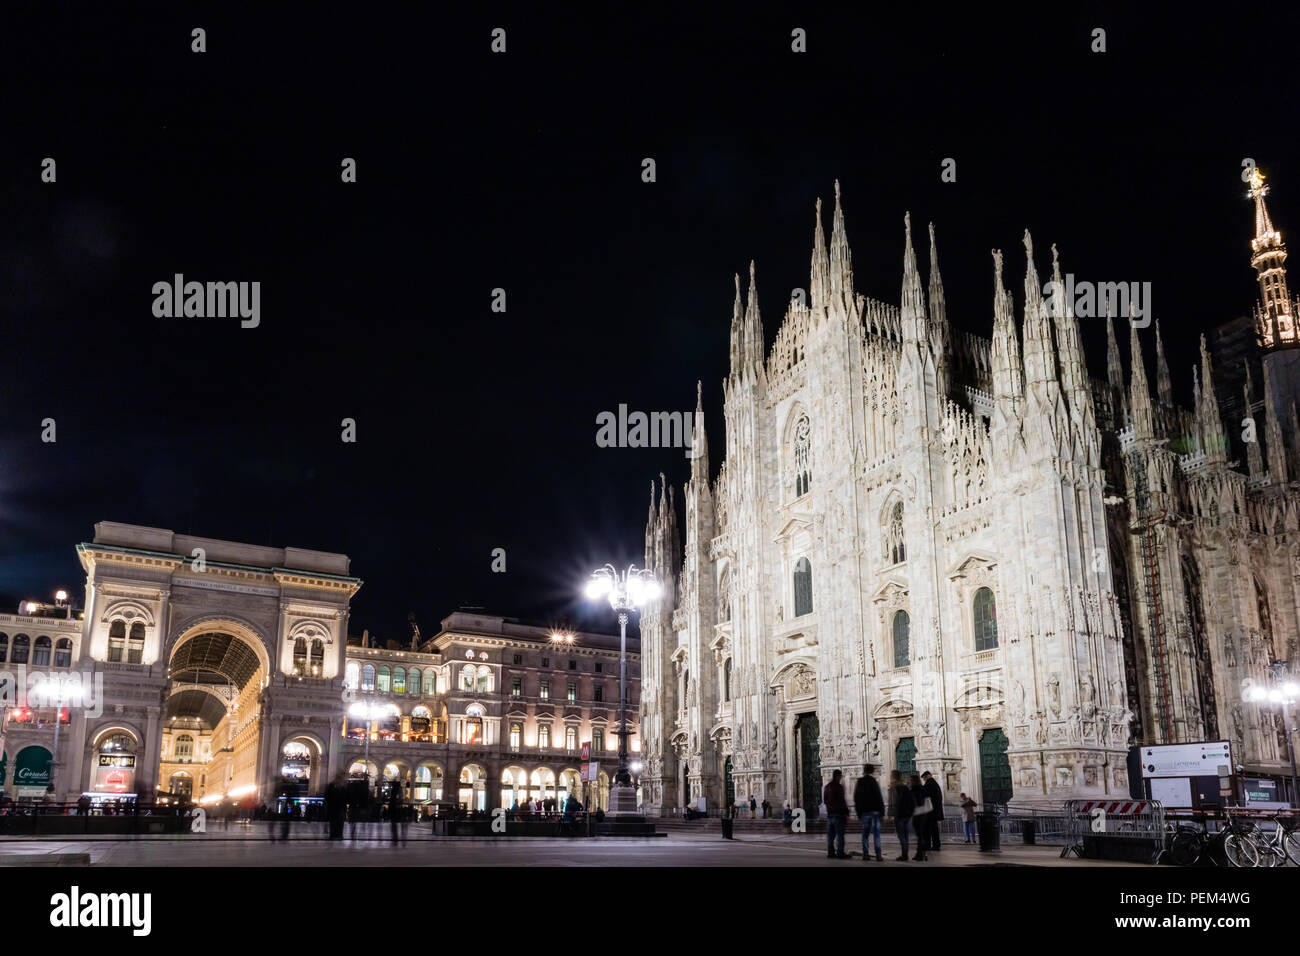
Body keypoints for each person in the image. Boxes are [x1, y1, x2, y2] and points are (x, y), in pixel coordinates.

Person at [853, 763, 884, 861]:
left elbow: (856, 797)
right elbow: (879, 797)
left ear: (864, 771)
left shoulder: (860, 781)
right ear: (872, 771)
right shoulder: (874, 781)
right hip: (875, 812)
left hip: (865, 812)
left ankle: (865, 854)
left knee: (865, 834)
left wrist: (858, 813)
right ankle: (878, 855)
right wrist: (882, 812)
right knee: (876, 834)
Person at [822, 769, 850, 859]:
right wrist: (847, 813)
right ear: (838, 776)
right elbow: (842, 801)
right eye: (840, 776)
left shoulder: (827, 787)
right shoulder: (839, 787)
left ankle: (830, 852)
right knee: (840, 835)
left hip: (830, 814)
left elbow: (825, 800)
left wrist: (829, 808)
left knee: (830, 835)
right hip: (839, 814)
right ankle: (840, 853)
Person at [889, 771, 914, 860]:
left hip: (899, 815)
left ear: (894, 777)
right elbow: (911, 801)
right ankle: (905, 853)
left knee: (901, 835)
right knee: (905, 835)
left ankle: (904, 854)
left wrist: (892, 813)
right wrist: (910, 812)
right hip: (906, 815)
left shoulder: (895, 787)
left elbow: (895, 802)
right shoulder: (906, 787)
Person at [922, 771, 944, 851]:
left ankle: (932, 845)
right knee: (933, 829)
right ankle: (936, 845)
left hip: (930, 811)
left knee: (929, 829)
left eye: (924, 778)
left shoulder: (929, 784)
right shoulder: (935, 784)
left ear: (927, 776)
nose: (924, 779)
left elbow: (925, 797)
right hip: (934, 811)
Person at [909, 774, 929, 861]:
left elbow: (911, 801)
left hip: (917, 813)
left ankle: (920, 854)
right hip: (924, 813)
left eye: (911, 780)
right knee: (921, 834)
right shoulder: (923, 788)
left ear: (913, 781)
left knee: (919, 835)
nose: (910, 782)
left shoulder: (913, 789)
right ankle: (922, 853)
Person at [387, 779, 404, 845]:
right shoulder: (398, 789)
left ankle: (395, 838)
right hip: (395, 809)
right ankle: (395, 837)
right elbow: (400, 799)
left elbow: (397, 799)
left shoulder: (395, 789)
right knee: (394, 825)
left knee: (394, 825)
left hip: (394, 809)